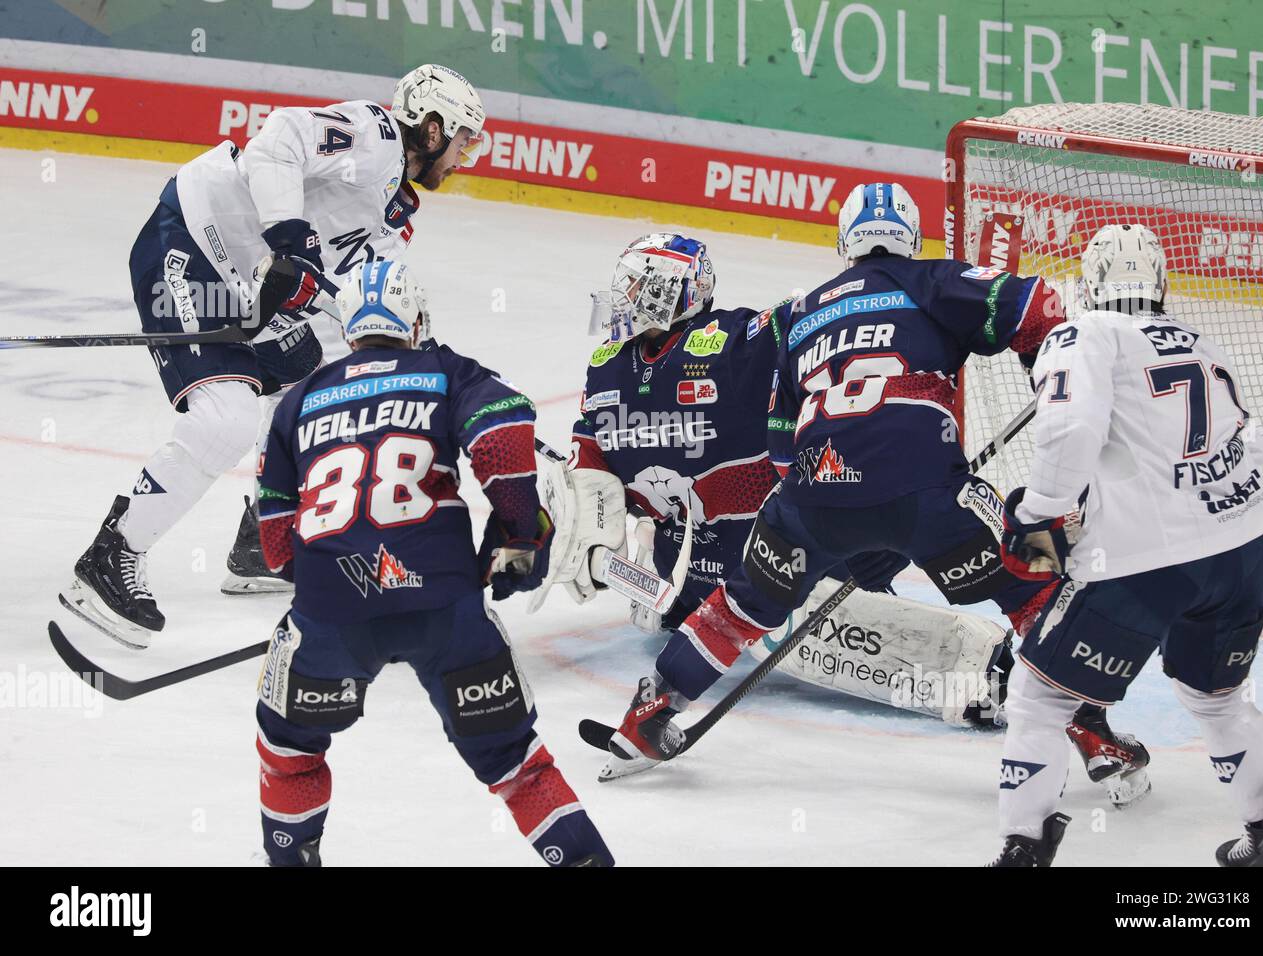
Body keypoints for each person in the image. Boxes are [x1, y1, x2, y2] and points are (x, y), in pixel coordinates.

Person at [594, 182, 1125, 784]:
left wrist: (837, 516)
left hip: (810, 498)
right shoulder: (933, 281)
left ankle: (651, 709)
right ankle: (1090, 729)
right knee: (1031, 589)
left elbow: (778, 430)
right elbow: (1040, 309)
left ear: (845, 242)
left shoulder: (804, 311)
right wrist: (1050, 380)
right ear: (910, 236)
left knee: (738, 607)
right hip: (927, 496)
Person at [63, 64, 485, 646]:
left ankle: (260, 539)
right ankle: (110, 556)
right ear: (433, 130)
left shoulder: (394, 216)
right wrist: (290, 239)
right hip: (194, 239)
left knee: (322, 388)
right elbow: (280, 138)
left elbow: (360, 308)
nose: (470, 155)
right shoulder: (374, 133)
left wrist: (423, 363)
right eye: (465, 138)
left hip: (247, 284)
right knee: (225, 420)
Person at [252, 259, 613, 867]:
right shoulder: (444, 370)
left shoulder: (300, 401)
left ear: (347, 329)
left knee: (288, 747)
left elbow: (277, 548)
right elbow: (502, 431)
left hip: (331, 618)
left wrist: (339, 590)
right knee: (516, 765)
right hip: (446, 615)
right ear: (416, 320)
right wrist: (519, 532)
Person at [989, 224, 1263, 867]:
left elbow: (1071, 428)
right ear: (1159, 283)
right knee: (1218, 699)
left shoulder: (1082, 333)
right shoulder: (1204, 345)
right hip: (1244, 549)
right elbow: (1254, 446)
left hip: (1152, 562)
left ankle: (1025, 850)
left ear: (1090, 284)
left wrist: (1036, 516)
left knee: (1039, 697)